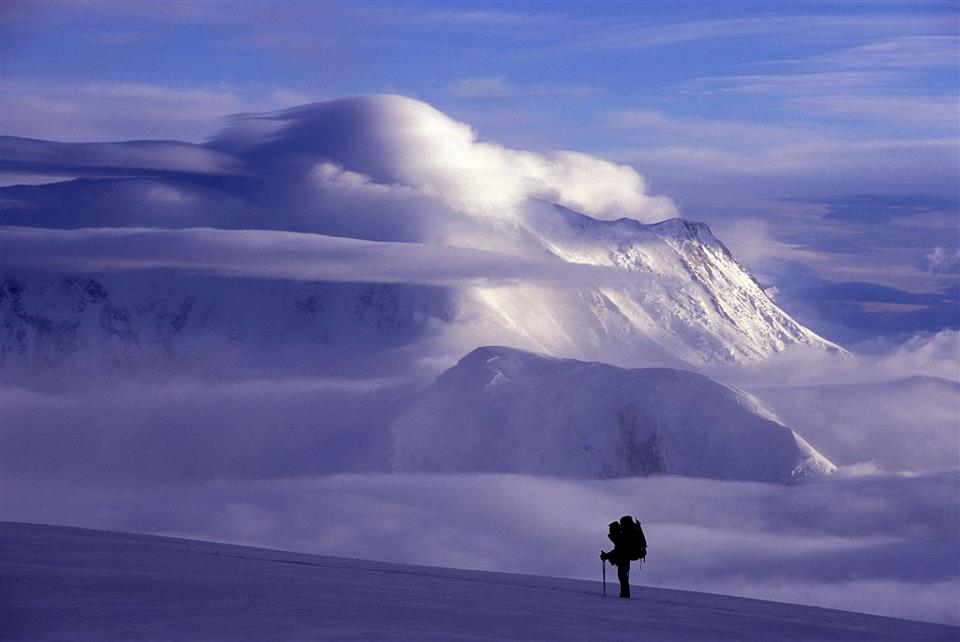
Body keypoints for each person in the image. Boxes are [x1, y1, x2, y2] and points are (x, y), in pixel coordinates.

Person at [601, 515, 644, 598]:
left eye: (611, 530)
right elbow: (619, 549)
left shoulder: (623, 536)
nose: (610, 532)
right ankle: (625, 595)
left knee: (622, 576)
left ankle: (625, 596)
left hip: (625, 555)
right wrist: (607, 555)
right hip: (627, 555)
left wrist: (606, 556)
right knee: (623, 576)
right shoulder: (625, 534)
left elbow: (620, 549)